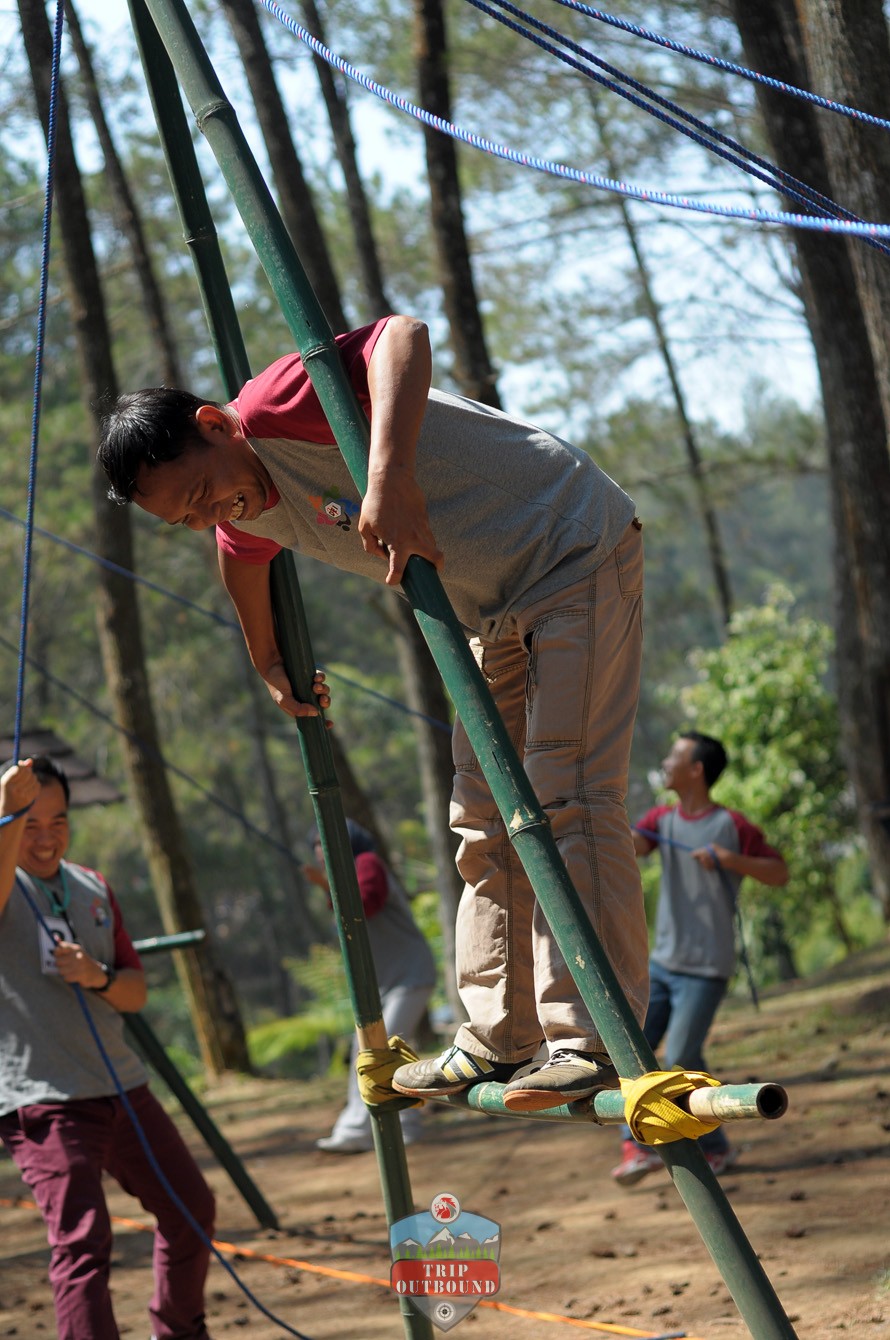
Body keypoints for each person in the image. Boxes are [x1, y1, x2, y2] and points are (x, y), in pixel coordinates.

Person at [97, 313, 649, 1113]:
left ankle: (592, 1038)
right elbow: (239, 559)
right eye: (185, 518)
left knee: (567, 794)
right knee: (482, 817)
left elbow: (401, 335)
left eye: (198, 494)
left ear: (215, 426)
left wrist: (386, 477)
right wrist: (266, 659)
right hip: (493, 611)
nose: (208, 514)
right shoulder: (239, 508)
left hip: (570, 551)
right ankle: (497, 1039)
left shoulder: (275, 403)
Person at [0, 756, 216, 1340]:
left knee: (191, 1209)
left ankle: (178, 1330)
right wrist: (6, 814)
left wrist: (97, 976)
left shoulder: (92, 886)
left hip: (121, 1087)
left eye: (58, 821)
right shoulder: (4, 879)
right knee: (82, 1241)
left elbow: (135, 992)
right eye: (29, 823)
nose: (45, 838)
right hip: (45, 1100)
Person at [612, 731, 789, 1186]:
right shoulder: (662, 820)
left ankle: (707, 1147)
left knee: (681, 1057)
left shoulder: (732, 825)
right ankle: (639, 1147)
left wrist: (731, 859)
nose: (666, 762)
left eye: (675, 755)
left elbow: (779, 872)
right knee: (631, 1049)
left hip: (707, 968)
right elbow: (631, 844)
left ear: (696, 770)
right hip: (662, 964)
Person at [304, 819, 436, 1153]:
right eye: (315, 845)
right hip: (388, 982)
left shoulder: (366, 863)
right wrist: (329, 887)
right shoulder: (349, 874)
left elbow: (364, 905)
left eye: (323, 842)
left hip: (409, 974)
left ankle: (356, 1130)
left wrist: (328, 886)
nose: (319, 851)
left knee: (372, 1051)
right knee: (388, 1050)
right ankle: (407, 1124)